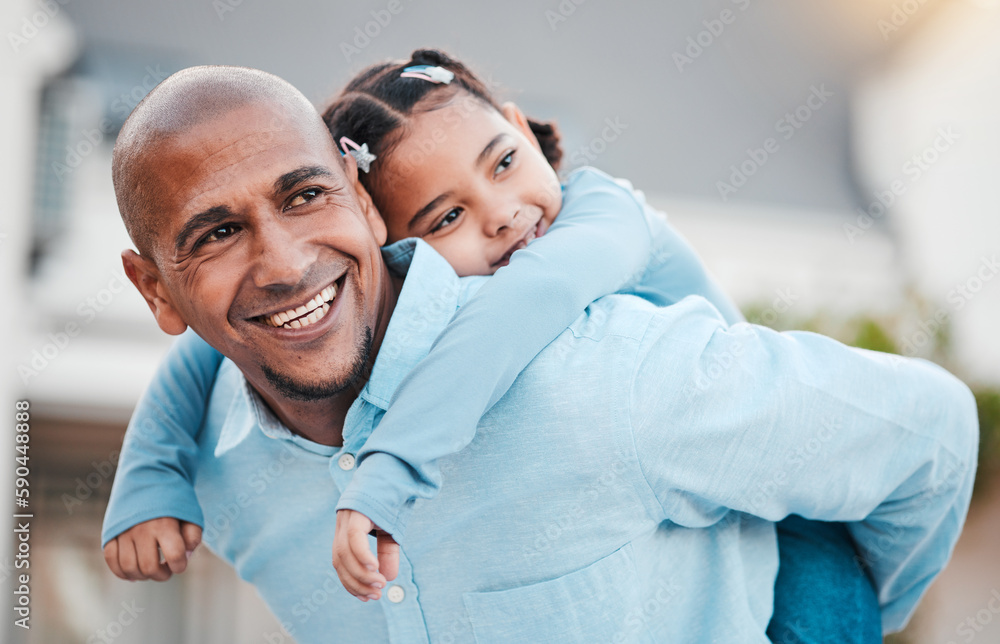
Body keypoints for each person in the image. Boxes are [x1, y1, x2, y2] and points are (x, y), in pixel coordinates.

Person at [103, 64, 976, 642]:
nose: (287, 266)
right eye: (216, 234)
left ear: (362, 206)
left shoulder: (595, 358)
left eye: (305, 195)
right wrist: (146, 480)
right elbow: (197, 369)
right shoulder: (219, 476)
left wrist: (850, 616)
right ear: (156, 292)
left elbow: (932, 436)